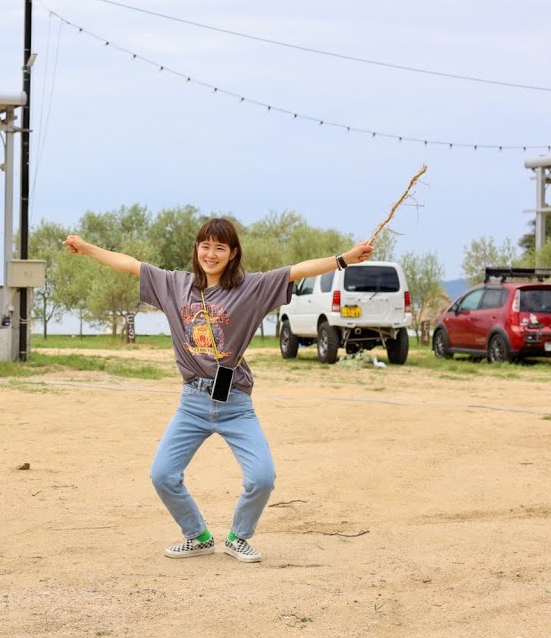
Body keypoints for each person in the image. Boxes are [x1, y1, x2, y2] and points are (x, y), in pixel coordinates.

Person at [63, 219, 372, 563]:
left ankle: (239, 537)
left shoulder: (250, 288)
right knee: (163, 475)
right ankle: (198, 537)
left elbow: (296, 271)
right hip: (191, 402)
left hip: (235, 403)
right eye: (205, 246)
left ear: (232, 253)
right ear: (196, 249)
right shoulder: (174, 285)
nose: (211, 254)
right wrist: (88, 248)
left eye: (220, 248)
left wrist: (345, 259)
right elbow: (131, 264)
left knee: (262, 478)